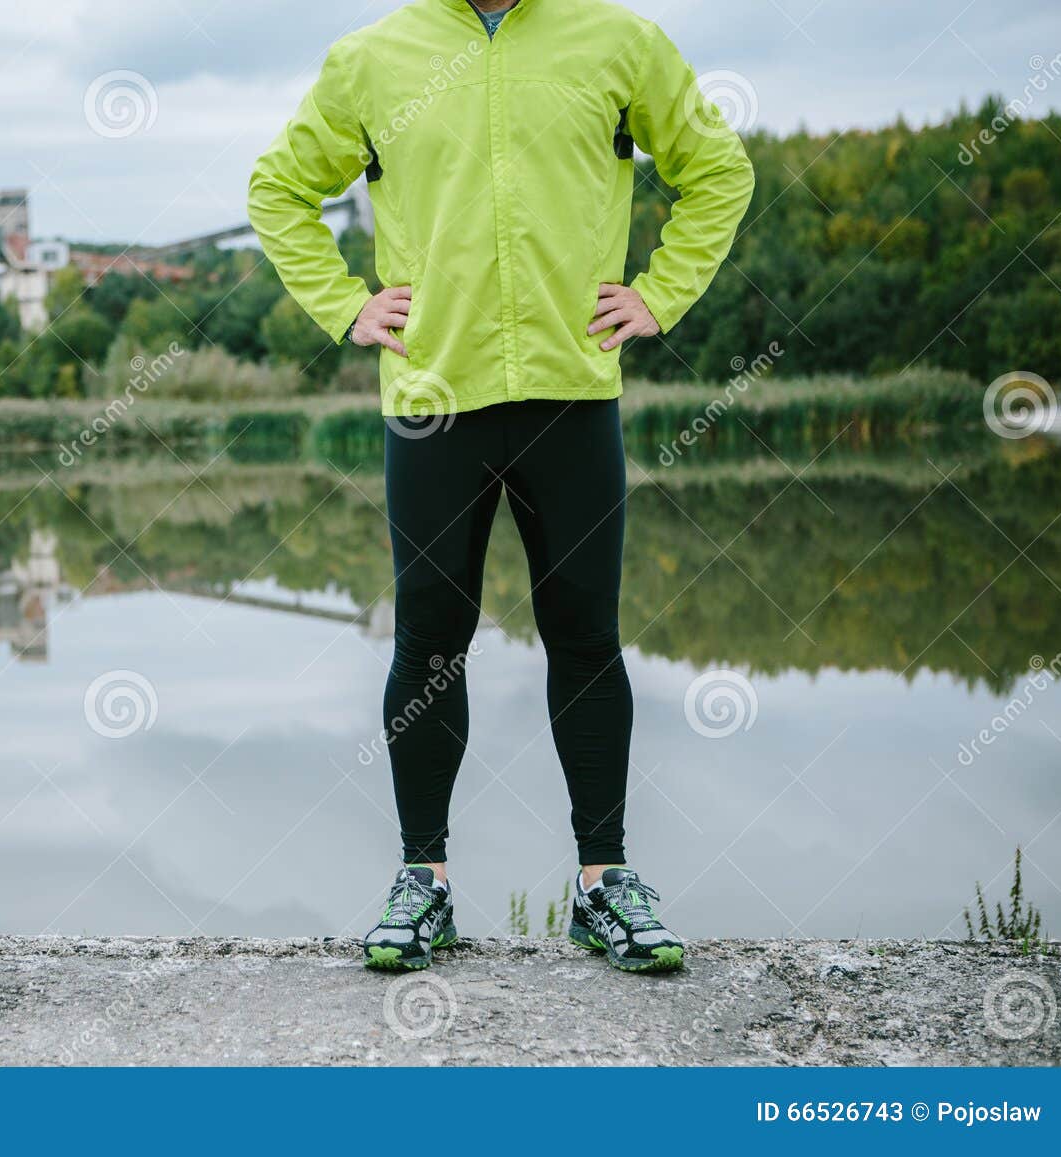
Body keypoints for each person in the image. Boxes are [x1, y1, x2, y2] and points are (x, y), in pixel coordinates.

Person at [247, 0, 754, 972]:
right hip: (432, 399)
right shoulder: (370, 59)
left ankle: (603, 881)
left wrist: (660, 291)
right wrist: (347, 305)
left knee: (586, 636)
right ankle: (421, 881)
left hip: (573, 392)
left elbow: (716, 171)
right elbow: (278, 189)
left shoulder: (618, 42)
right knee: (429, 638)